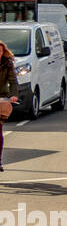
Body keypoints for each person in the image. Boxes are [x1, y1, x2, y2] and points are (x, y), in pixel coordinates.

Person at [0, 40, 16, 170]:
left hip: (1, 97)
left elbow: (13, 81)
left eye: (0, 51)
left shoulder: (7, 64)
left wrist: (13, 95)